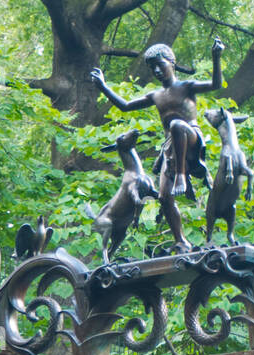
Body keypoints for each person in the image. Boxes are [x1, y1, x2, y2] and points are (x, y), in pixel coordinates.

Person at [91, 38, 226, 248]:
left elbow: (216, 84)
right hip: (171, 149)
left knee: (177, 125)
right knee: (164, 197)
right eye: (152, 67)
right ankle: (181, 241)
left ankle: (182, 176)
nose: (156, 70)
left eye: (160, 64)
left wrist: (216, 57)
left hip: (190, 137)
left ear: (171, 63)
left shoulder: (187, 87)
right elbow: (125, 106)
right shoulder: (156, 95)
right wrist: (103, 87)